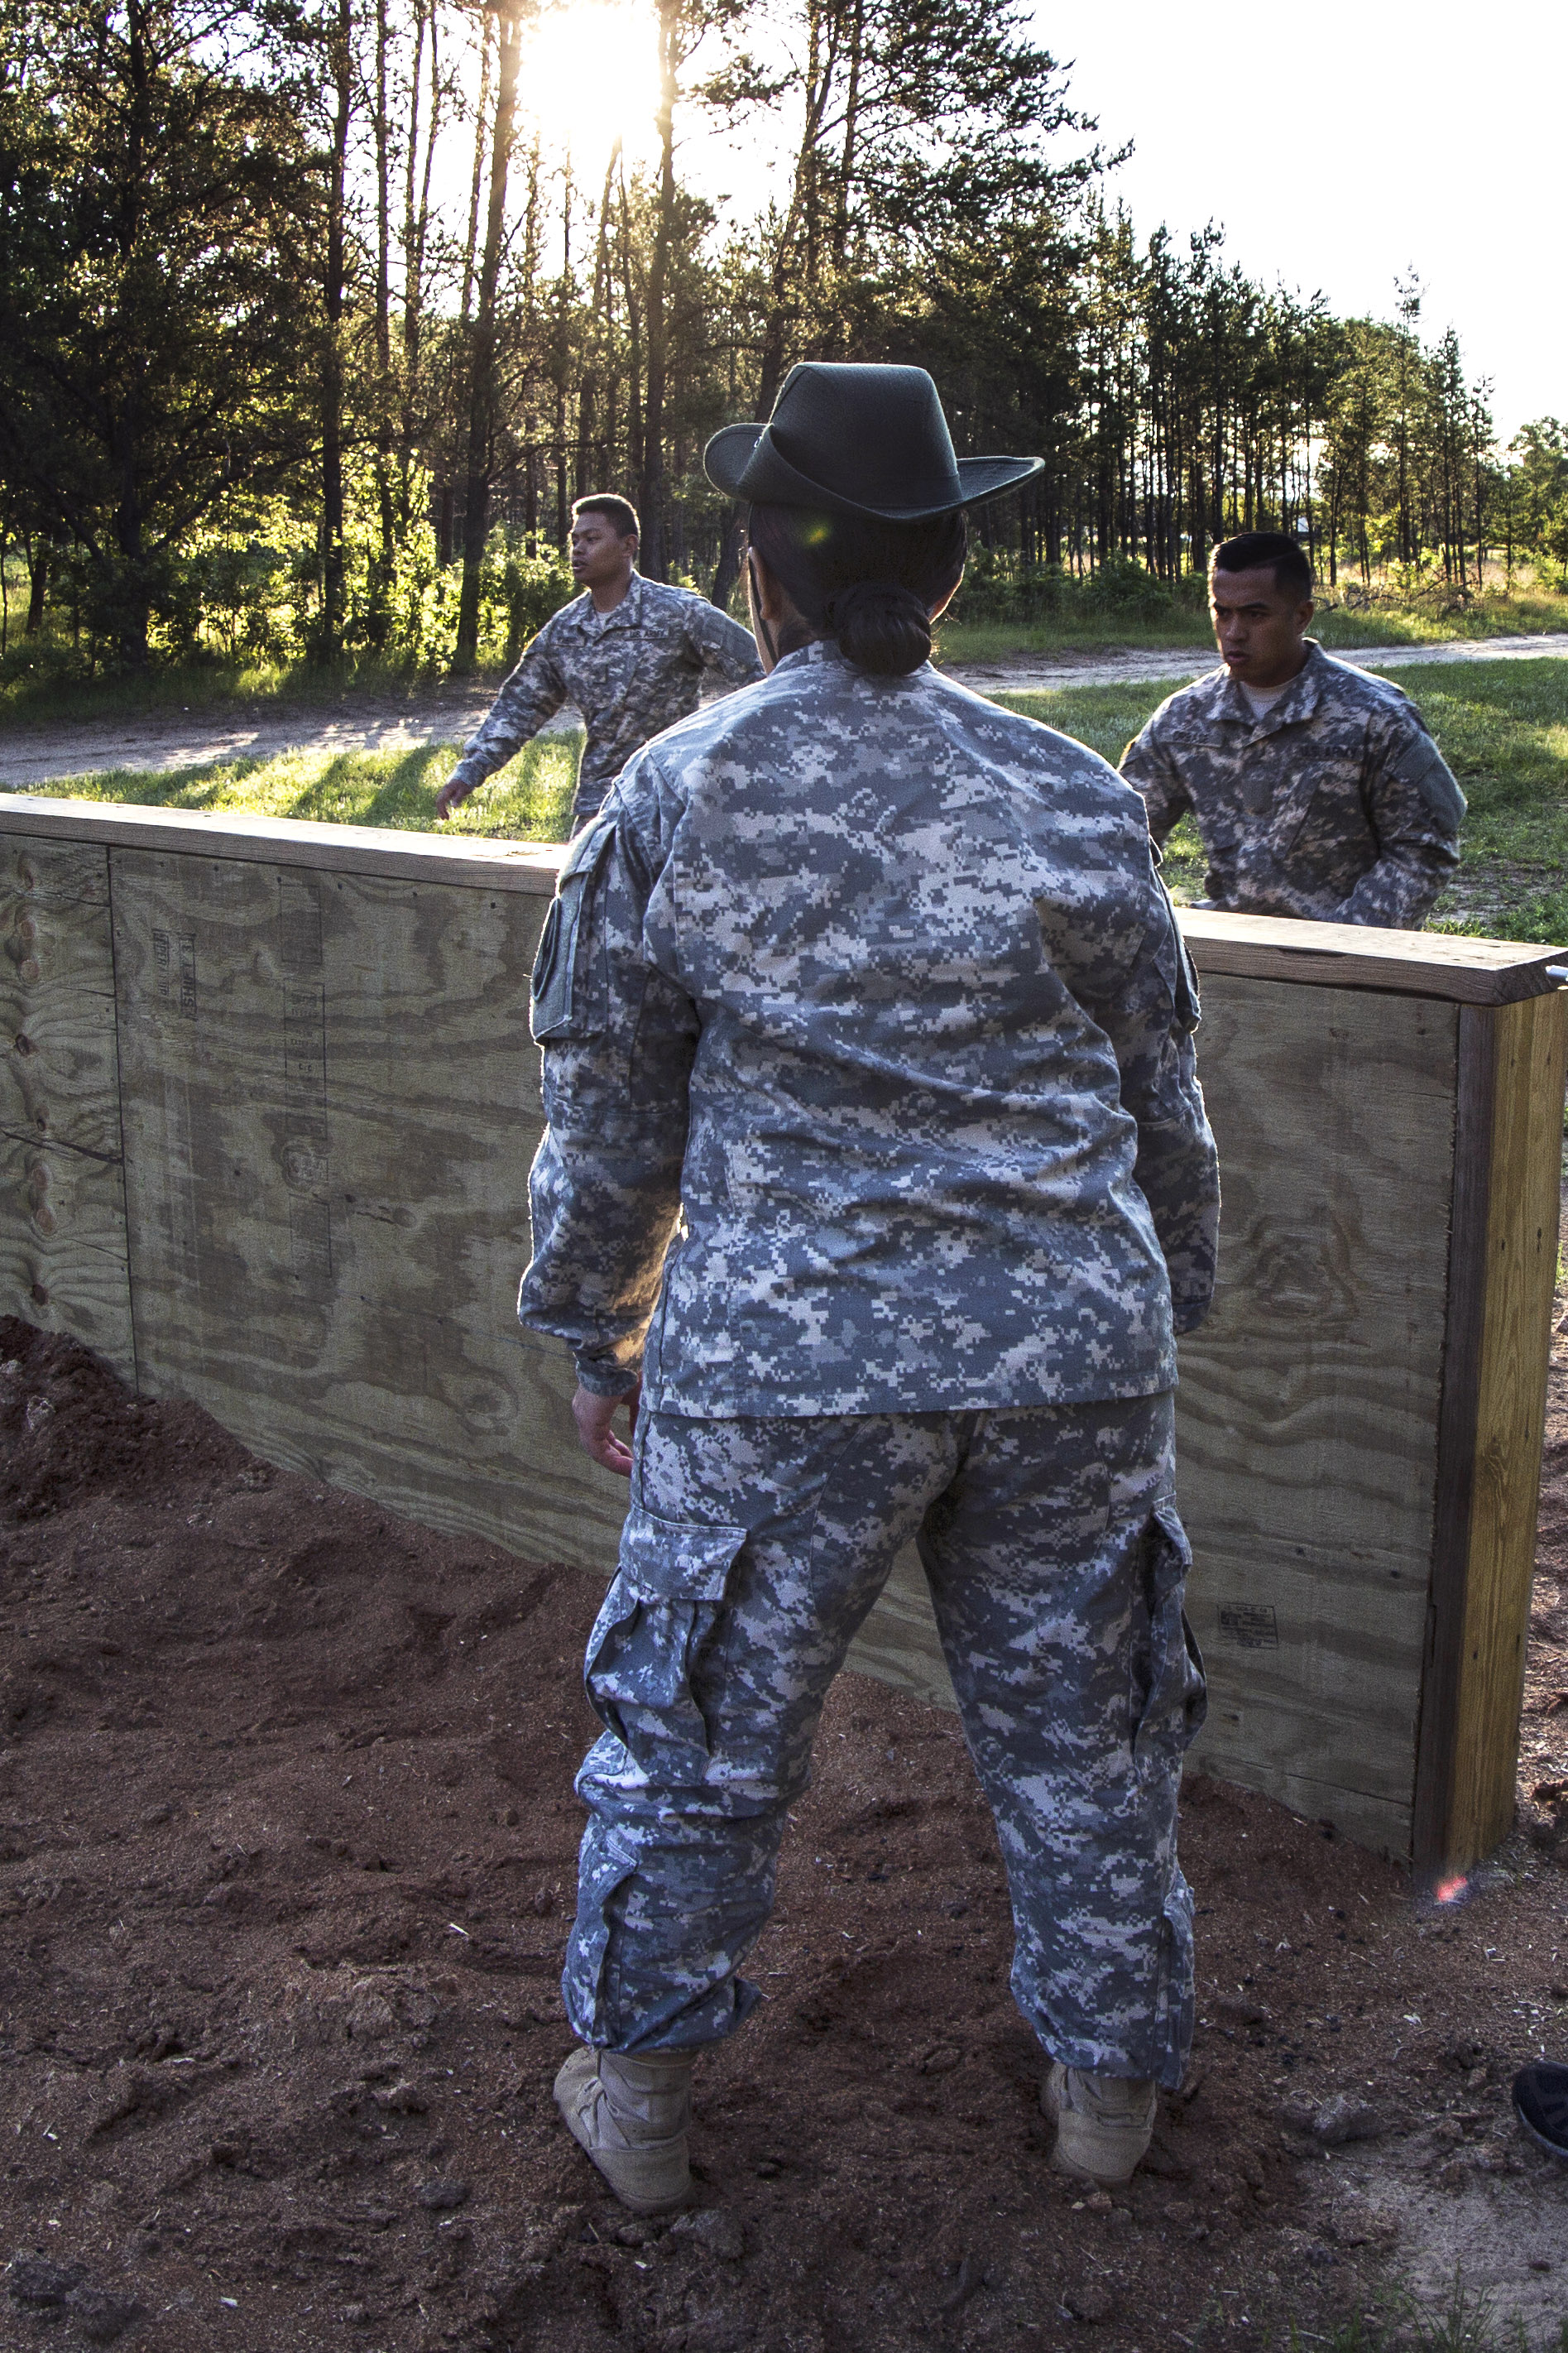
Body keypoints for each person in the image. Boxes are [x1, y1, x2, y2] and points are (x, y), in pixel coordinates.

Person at [518, 362, 1220, 2214]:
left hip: (781, 1371)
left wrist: (589, 1324)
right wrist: (1173, 1299)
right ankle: (1102, 2102)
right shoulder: (1074, 796)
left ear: (754, 569)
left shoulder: (677, 789)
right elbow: (1165, 1096)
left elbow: (607, 1109)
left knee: (696, 1744)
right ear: (952, 567)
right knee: (1090, 1746)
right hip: (1072, 1344)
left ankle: (645, 2102)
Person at [1119, 531, 1465, 929]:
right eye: (1222, 612)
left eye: (1255, 615)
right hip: (1229, 942)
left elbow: (1423, 850)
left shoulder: (1374, 714)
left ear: (1301, 616)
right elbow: (1124, 834)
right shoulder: (1185, 717)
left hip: (1346, 949)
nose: (1234, 632)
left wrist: (1347, 945)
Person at [434, 494, 763, 832]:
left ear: (627, 546)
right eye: (574, 540)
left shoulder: (678, 613)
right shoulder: (565, 631)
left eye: (591, 539)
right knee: (580, 884)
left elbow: (763, 672)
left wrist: (723, 745)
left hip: (674, 801)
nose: (578, 550)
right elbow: (517, 708)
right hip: (601, 806)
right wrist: (469, 772)